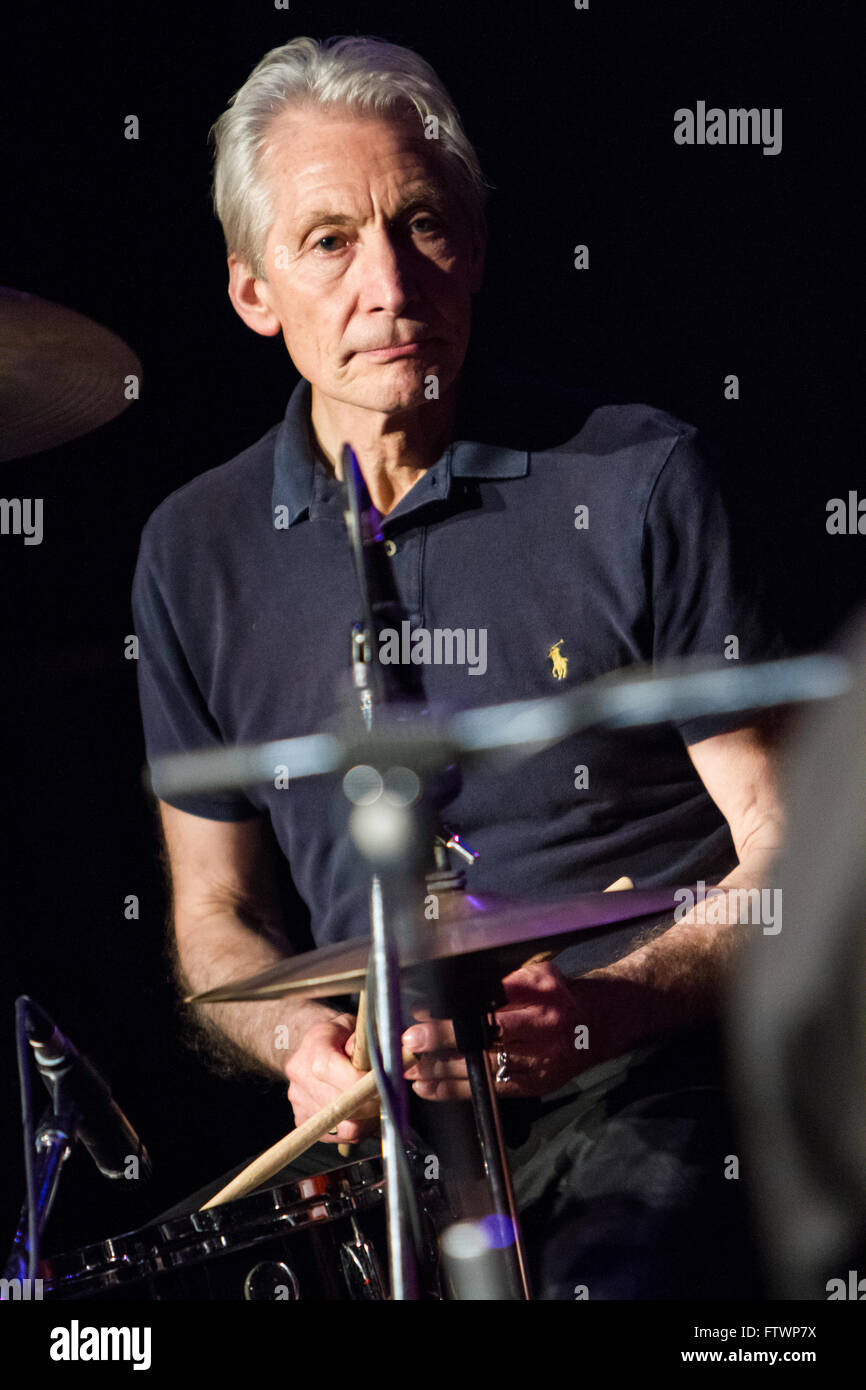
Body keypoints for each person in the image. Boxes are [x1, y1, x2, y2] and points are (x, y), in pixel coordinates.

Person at [132, 35, 784, 1298]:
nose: (387, 283)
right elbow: (214, 914)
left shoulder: (635, 476)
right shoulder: (190, 551)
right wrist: (296, 1039)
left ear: (474, 250)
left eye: (420, 224)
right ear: (252, 291)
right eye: (328, 241)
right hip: (383, 1144)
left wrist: (618, 1002)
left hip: (648, 1083)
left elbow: (786, 852)